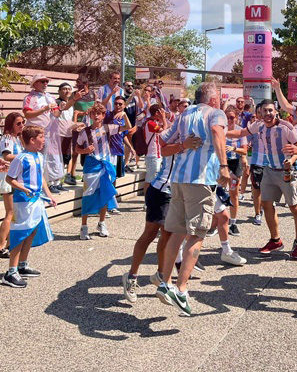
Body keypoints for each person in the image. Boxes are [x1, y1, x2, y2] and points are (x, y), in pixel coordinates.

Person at [153, 82, 230, 316]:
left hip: (178, 179)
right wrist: (224, 165)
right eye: (217, 96)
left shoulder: (185, 113)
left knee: (177, 232)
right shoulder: (216, 114)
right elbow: (217, 132)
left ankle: (165, 282)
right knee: (197, 234)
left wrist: (182, 146)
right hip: (200, 180)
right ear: (213, 98)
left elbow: (162, 143)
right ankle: (181, 288)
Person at [122, 121, 203, 303]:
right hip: (161, 191)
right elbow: (162, 148)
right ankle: (131, 277)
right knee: (149, 234)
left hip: (178, 193)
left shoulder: (199, 135)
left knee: (167, 238)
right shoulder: (174, 132)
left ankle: (161, 277)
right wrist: (183, 145)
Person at [226, 98, 297, 257]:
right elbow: (241, 133)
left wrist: (291, 160)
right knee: (266, 204)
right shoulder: (259, 125)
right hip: (270, 169)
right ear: (260, 113)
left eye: (271, 110)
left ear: (276, 111)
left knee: (293, 207)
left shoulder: (285, 127)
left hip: (287, 171)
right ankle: (276, 240)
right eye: (265, 111)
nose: (268, 113)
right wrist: (220, 131)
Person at [1, 125, 57, 288]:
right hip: (23, 201)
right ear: (32, 140)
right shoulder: (21, 158)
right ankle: (11, 271)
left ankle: (22, 265)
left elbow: (42, 178)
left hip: (36, 199)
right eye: (41, 137)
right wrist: (24, 189)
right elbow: (9, 179)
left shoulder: (39, 156)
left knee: (31, 231)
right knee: (20, 233)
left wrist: (50, 196)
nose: (44, 140)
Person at [75, 103, 122, 240]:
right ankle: (84, 226)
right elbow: (77, 149)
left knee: (105, 193)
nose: (96, 115)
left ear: (103, 116)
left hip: (106, 164)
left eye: (99, 113)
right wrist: (85, 151)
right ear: (90, 115)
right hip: (91, 165)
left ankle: (102, 223)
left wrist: (123, 113)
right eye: (93, 113)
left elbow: (129, 128)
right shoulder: (85, 132)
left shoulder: (108, 128)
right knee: (88, 194)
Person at [0, 113, 26, 258]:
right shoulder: (7, 138)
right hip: (8, 179)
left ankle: (8, 244)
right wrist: (24, 156)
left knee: (14, 213)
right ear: (11, 124)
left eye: (23, 122)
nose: (22, 125)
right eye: (18, 123)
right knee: (10, 212)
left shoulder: (17, 139)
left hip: (15, 178)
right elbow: (6, 156)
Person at [223, 107, 247, 236]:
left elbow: (244, 150)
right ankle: (216, 223)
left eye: (232, 117)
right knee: (218, 192)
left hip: (235, 162)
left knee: (234, 193)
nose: (229, 120)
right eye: (227, 117)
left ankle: (233, 223)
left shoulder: (240, 131)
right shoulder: (220, 129)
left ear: (236, 118)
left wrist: (233, 148)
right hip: (222, 163)